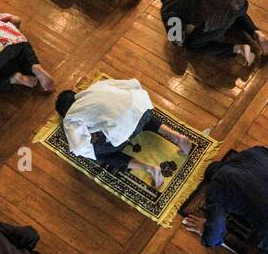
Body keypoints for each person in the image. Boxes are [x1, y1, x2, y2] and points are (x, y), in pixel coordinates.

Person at [56, 79, 192, 184]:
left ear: (64, 113)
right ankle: (178, 137)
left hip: (123, 133)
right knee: (136, 116)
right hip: (142, 107)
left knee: (97, 154)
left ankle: (149, 168)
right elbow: (132, 84)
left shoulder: (70, 117)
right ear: (76, 94)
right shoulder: (98, 86)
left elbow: (80, 148)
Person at [159, 0, 268, 65]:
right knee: (232, 9)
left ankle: (238, 49)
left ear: (165, 1)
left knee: (191, 45)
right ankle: (256, 32)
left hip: (218, 20)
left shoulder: (168, 8)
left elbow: (178, 41)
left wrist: (186, 26)